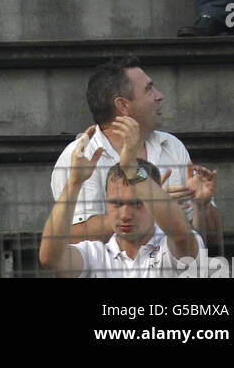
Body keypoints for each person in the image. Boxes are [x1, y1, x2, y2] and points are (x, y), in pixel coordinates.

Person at [50, 55, 220, 248]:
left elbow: (209, 240)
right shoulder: (81, 155)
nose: (159, 95)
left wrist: (202, 207)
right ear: (123, 105)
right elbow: (73, 237)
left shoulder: (171, 146)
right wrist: (149, 203)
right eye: (149, 89)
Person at [41, 119, 202, 277]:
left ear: (154, 204)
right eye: (116, 203)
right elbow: (51, 259)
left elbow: (181, 235)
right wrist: (74, 182)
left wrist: (130, 167)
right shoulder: (94, 254)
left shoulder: (169, 246)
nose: (125, 215)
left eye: (137, 204)